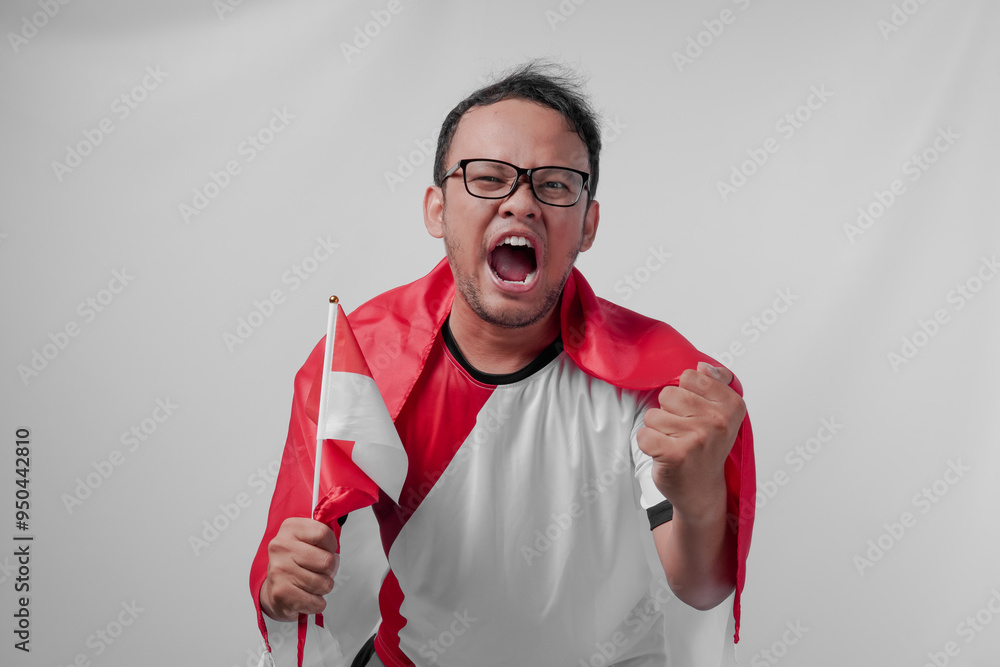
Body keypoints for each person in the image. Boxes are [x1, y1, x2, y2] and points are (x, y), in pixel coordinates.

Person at [250, 62, 755, 667]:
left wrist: (699, 496)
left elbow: (699, 586)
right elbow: (292, 560)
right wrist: (280, 588)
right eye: (488, 178)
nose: (521, 203)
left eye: (556, 185)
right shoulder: (360, 362)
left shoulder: (660, 378)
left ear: (587, 224)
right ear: (437, 210)